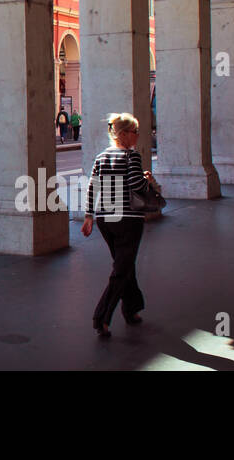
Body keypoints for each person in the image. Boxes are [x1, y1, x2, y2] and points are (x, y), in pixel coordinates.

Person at [81, 112, 156, 338]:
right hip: (128, 220)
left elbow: (92, 186)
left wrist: (88, 216)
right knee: (121, 269)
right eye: (135, 132)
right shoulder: (131, 156)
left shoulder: (101, 157)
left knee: (124, 264)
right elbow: (135, 183)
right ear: (123, 135)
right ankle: (101, 317)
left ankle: (132, 309)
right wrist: (147, 180)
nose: (137, 136)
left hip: (106, 220)